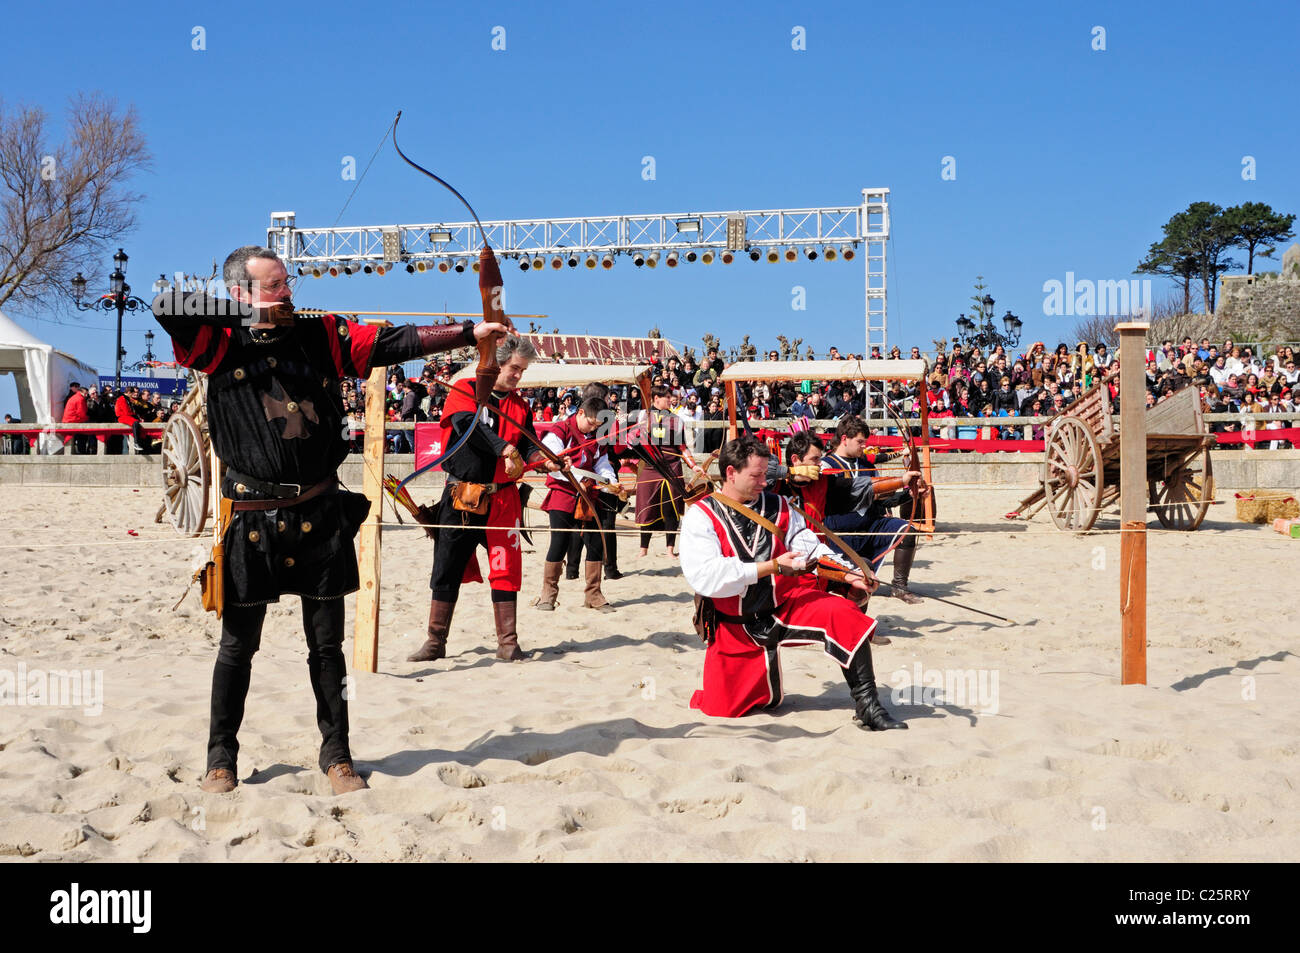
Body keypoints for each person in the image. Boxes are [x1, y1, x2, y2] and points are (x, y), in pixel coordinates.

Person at [153, 244, 507, 796]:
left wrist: (467, 333)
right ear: (240, 294)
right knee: (237, 647)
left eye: (287, 283)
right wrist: (251, 313)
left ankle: (337, 754)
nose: (288, 293)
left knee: (327, 648)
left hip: (320, 513)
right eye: (274, 286)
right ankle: (221, 759)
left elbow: (391, 342)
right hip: (253, 519)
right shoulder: (217, 343)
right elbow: (167, 303)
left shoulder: (322, 336)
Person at [679, 435, 905, 730]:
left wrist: (849, 573)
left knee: (845, 615)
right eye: (757, 475)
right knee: (725, 710)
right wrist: (771, 566)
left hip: (782, 607)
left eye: (765, 474)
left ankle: (868, 705)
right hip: (736, 627)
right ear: (731, 473)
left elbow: (810, 547)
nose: (765, 481)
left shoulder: (780, 506)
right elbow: (707, 576)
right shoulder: (701, 515)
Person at [407, 335, 551, 665]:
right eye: (514, 368)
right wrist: (504, 448)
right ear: (496, 363)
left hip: (502, 498)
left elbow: (527, 444)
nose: (517, 376)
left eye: (522, 371)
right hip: (463, 496)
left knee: (505, 567)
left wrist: (546, 460)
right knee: (447, 565)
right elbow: (468, 427)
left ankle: (508, 643)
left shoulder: (520, 405)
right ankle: (435, 640)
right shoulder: (464, 390)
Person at [533, 396, 629, 613]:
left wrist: (611, 483)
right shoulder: (560, 430)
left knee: (596, 540)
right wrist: (564, 469)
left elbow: (602, 464)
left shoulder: (596, 437)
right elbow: (551, 459)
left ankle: (593, 594)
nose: (593, 428)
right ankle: (548, 594)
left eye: (598, 425)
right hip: (563, 491)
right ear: (581, 414)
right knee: (560, 540)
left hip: (587, 493)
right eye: (591, 423)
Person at [822, 416, 928, 603]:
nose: (865, 446)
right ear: (844, 439)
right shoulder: (826, 465)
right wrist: (897, 481)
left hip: (870, 525)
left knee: (906, 531)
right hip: (839, 533)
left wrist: (909, 495)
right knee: (852, 588)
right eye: (860, 442)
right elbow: (843, 493)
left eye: (865, 442)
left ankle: (899, 587)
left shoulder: (867, 466)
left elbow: (880, 501)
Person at [634, 383, 701, 557]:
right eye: (667, 397)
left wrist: (693, 465)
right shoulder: (643, 415)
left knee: (671, 508)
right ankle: (643, 549)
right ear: (656, 398)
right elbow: (634, 439)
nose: (671, 400)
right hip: (650, 466)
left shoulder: (676, 419)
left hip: (672, 466)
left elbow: (682, 447)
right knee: (647, 507)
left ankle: (670, 549)